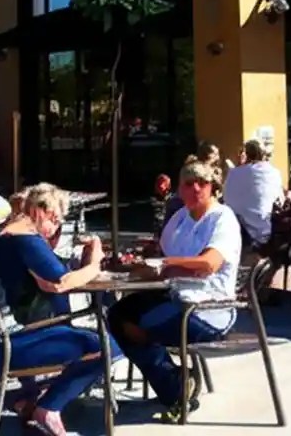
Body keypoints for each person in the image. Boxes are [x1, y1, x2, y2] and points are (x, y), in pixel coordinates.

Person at [0, 183, 119, 436]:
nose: (55, 226)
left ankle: (30, 398)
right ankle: (49, 407)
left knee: (50, 317)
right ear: (39, 211)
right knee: (109, 345)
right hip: (1, 348)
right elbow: (60, 283)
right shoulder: (25, 237)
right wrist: (96, 264)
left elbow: (45, 278)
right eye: (55, 218)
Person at [109, 158, 243, 424]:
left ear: (212, 187)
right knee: (117, 315)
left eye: (202, 183)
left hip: (208, 308)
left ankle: (176, 389)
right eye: (189, 184)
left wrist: (164, 264)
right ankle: (176, 381)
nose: (195, 189)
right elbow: (161, 253)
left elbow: (208, 264)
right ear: (179, 189)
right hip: (175, 296)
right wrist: (134, 260)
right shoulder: (180, 217)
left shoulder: (222, 219)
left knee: (140, 325)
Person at [223, 139, 285, 248]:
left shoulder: (234, 173)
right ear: (264, 155)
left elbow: (227, 199)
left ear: (246, 154)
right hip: (268, 229)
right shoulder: (273, 172)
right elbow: (280, 199)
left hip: (240, 231)